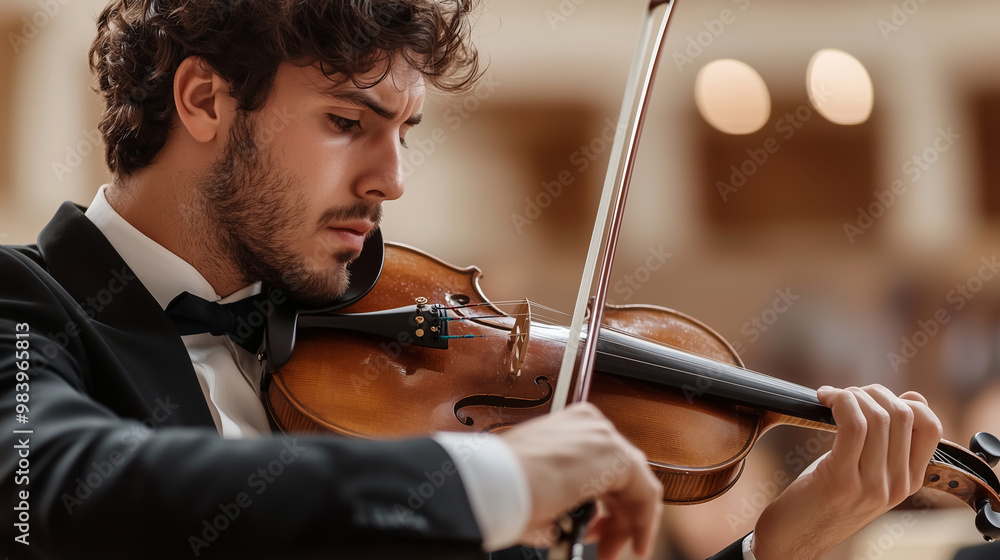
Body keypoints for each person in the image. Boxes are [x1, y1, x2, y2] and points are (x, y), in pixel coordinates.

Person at [0, 1, 944, 559]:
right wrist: (487, 474)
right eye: (347, 122)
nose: (392, 179)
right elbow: (51, 489)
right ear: (203, 99)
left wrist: (771, 551)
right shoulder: (28, 305)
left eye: (403, 132)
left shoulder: (373, 354)